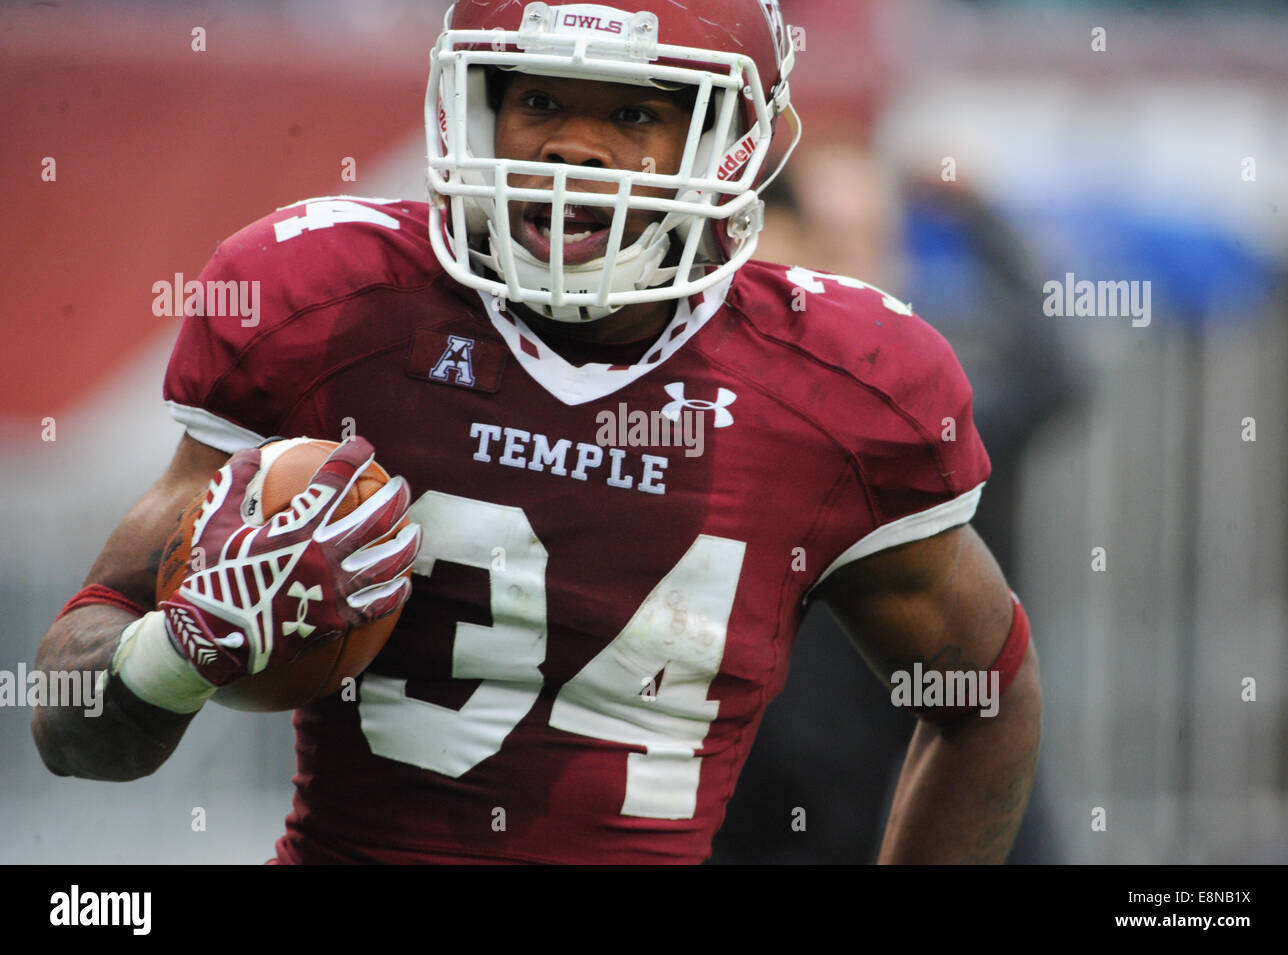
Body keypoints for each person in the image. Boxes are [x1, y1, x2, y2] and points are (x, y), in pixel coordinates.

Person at [31, 0, 1041, 865]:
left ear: (729, 141)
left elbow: (983, 698)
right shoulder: (330, 311)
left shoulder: (835, 383)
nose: (571, 147)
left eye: (635, 112)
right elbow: (67, 729)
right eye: (541, 100)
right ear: (474, 106)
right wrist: (177, 650)